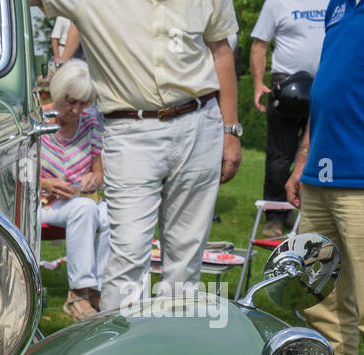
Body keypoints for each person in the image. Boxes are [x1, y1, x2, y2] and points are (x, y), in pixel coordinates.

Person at [33, 1, 242, 313]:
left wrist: (230, 130)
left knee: (186, 257)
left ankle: (170, 349)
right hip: (130, 128)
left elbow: (221, 49)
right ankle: (118, 352)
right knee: (128, 253)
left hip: (200, 120)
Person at [286, 0, 364, 355]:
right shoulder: (338, 5)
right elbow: (325, 90)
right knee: (320, 299)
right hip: (322, 175)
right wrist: (305, 156)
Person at [250, 2, 327, 237]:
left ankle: (308, 213)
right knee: (280, 155)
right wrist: (257, 83)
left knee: (316, 153)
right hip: (286, 86)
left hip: (323, 82)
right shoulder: (276, 3)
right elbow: (259, 44)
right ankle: (274, 216)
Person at [40, 60, 109, 320]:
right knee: (85, 208)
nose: (77, 110)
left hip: (80, 199)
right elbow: (20, 175)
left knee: (111, 213)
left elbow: (99, 172)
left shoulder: (90, 124)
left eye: (83, 103)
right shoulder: (39, 120)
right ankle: (78, 293)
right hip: (42, 204)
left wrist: (94, 179)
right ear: (58, 94)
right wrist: (46, 184)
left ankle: (98, 290)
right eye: (71, 102)